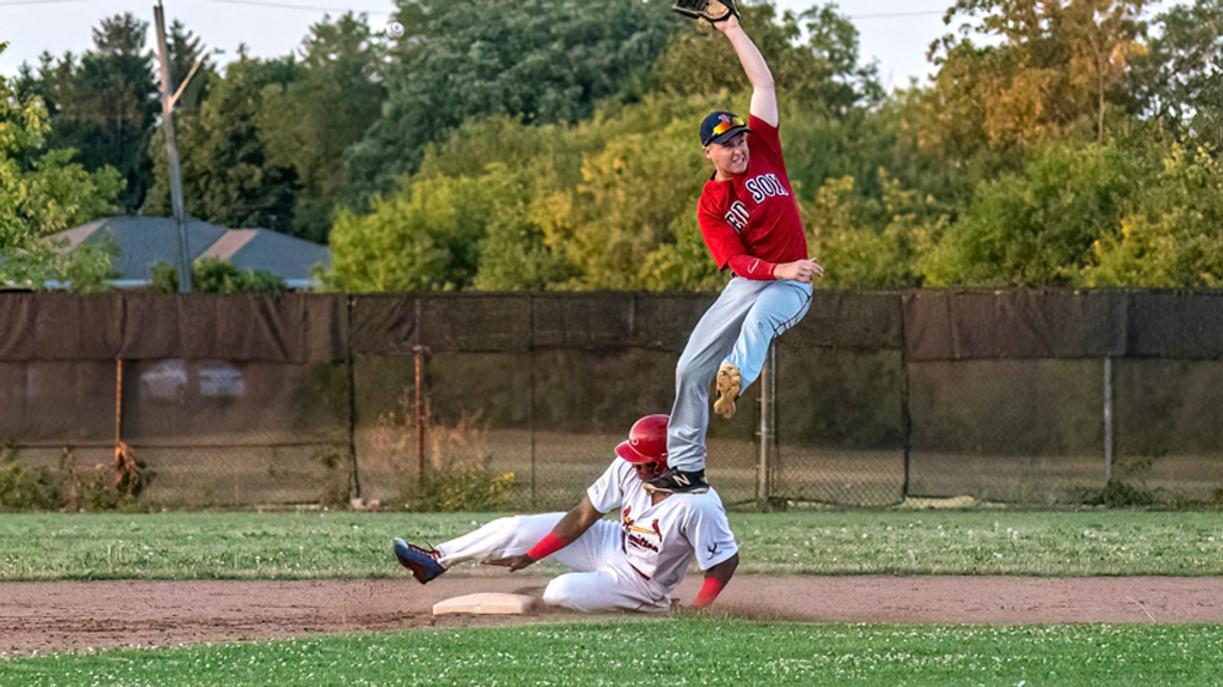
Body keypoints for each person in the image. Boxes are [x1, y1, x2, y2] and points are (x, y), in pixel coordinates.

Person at [658, 13, 824, 492]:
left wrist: (731, 28)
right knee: (690, 368)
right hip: (752, 280)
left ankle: (734, 377)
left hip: (792, 284)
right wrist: (777, 267)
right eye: (727, 144)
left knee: (761, 320)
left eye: (739, 139)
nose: (739, 148)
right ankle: (686, 467)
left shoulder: (765, 148)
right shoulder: (711, 205)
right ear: (708, 152)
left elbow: (763, 84)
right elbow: (735, 262)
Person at [392, 414, 740, 613]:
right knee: (514, 528)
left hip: (641, 582)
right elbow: (583, 514)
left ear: (664, 463)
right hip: (612, 541)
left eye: (642, 462)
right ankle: (436, 560)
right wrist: (531, 555)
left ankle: (656, 608)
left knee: (560, 591)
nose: (633, 466)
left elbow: (724, 561)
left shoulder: (698, 504)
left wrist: (699, 611)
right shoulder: (629, 467)